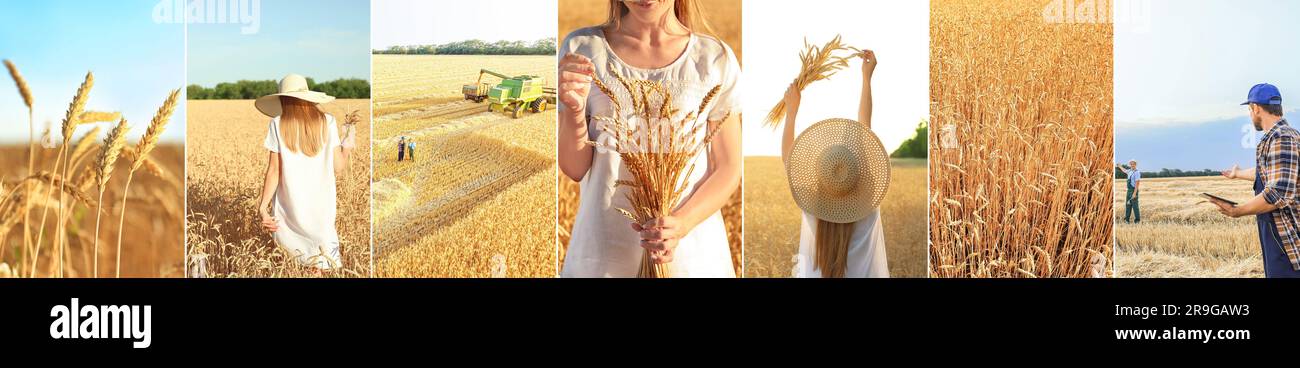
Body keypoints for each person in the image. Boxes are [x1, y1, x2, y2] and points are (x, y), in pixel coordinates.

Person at [557, 0, 741, 277]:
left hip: (692, 258)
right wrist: (573, 110)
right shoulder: (582, 49)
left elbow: (727, 168)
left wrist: (681, 224)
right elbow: (574, 168)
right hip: (604, 255)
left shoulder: (713, 59)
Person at [781, 49, 888, 278]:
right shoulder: (868, 205)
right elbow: (864, 128)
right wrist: (866, 79)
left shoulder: (813, 208)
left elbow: (788, 160)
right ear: (858, 172)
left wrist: (791, 111)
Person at [254, 73, 355, 272]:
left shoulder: (277, 124)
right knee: (318, 264)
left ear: (283, 99)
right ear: (308, 97)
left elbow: (274, 170)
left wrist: (263, 208)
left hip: (290, 209)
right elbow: (339, 167)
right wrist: (348, 144)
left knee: (297, 264)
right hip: (321, 208)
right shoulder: (328, 122)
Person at [1213, 83, 1300, 278]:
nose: (1250, 115)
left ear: (1256, 108)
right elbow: (1270, 172)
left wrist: (1238, 210)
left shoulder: (1281, 138)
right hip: (1277, 236)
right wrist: (1238, 174)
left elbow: (1278, 192)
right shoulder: (1280, 136)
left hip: (1286, 239)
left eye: (1250, 110)